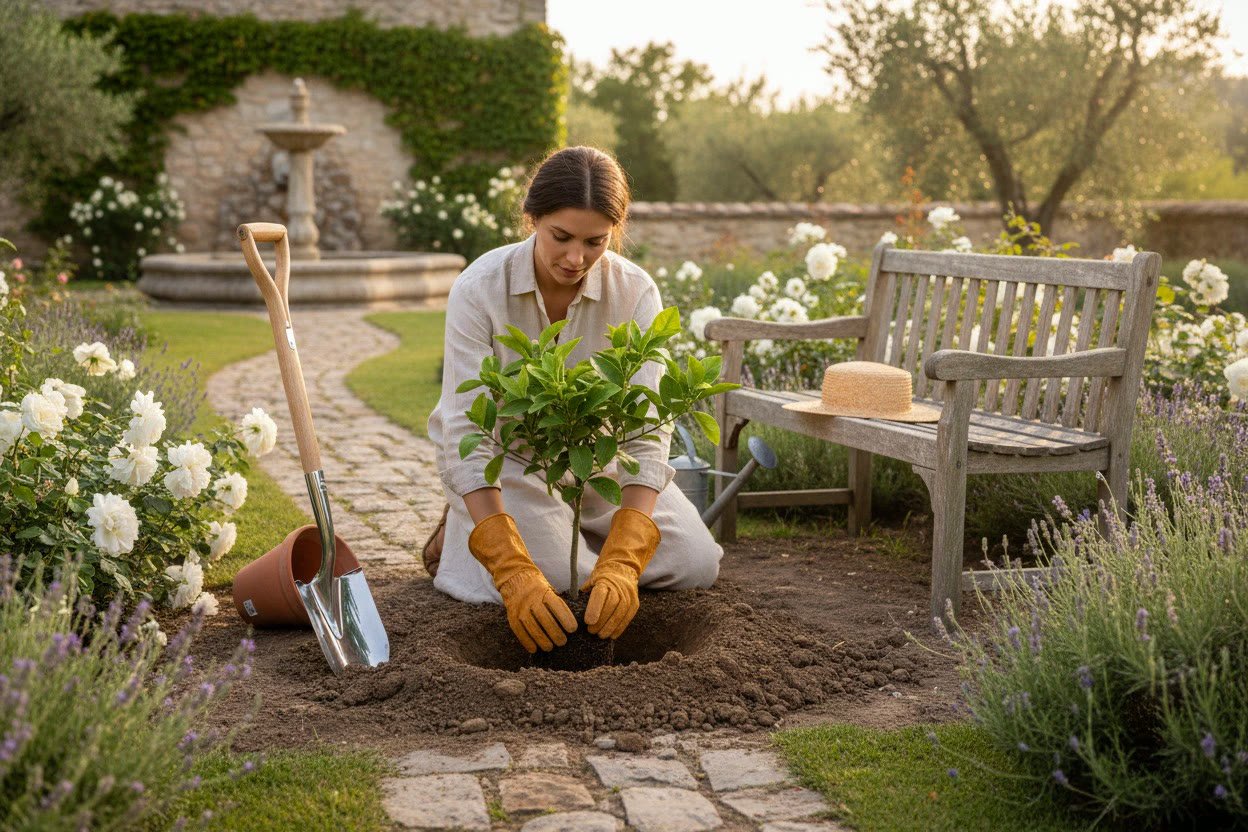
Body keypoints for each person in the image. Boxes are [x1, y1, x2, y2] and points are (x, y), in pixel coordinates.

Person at [423, 146, 722, 654]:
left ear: (614, 232)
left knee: (696, 563)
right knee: (560, 581)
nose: (575, 259)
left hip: (601, 463)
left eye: (594, 242)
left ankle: (575, 537)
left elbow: (647, 434)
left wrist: (624, 560)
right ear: (532, 219)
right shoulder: (479, 289)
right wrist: (512, 568)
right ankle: (468, 529)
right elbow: (465, 430)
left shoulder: (635, 293)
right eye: (560, 237)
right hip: (513, 462)